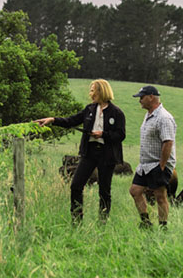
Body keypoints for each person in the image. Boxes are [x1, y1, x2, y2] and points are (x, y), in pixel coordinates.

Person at [35, 79, 126, 224]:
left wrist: (102, 134)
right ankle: (76, 220)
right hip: (89, 153)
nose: (90, 94)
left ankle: (102, 222)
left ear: (101, 91)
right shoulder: (89, 109)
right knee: (76, 185)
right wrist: (53, 120)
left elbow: (121, 135)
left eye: (92, 90)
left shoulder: (117, 113)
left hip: (106, 155)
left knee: (104, 191)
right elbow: (71, 121)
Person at [128, 85, 177, 229]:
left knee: (160, 195)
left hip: (157, 164)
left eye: (141, 97)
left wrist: (162, 166)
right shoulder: (149, 115)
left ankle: (163, 227)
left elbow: (168, 142)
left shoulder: (164, 117)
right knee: (135, 191)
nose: (140, 101)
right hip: (145, 165)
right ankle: (146, 223)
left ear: (151, 97)